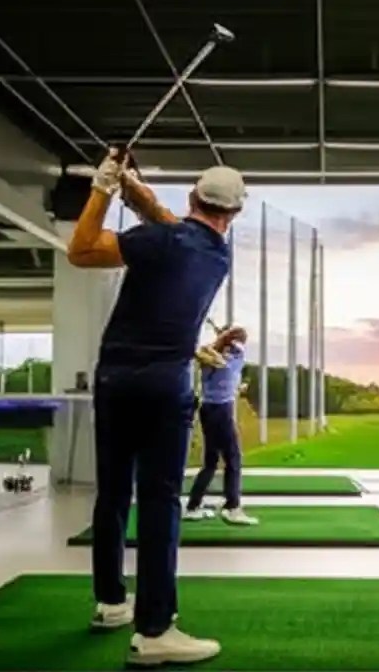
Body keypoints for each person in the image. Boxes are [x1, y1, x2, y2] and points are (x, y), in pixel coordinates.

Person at [67, 147, 246, 666]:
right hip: (165, 385)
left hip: (114, 377)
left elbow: (80, 249)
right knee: (161, 499)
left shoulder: (157, 240)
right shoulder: (215, 254)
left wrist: (104, 190)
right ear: (233, 214)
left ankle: (110, 602)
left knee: (113, 493)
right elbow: (176, 227)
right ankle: (154, 630)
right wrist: (135, 190)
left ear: (193, 195)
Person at [184, 326, 257, 525]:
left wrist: (220, 341)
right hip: (221, 411)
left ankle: (193, 506)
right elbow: (222, 361)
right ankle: (232, 507)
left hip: (208, 409)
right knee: (233, 459)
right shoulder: (235, 355)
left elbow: (207, 355)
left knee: (211, 461)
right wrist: (225, 339)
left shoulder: (209, 356)